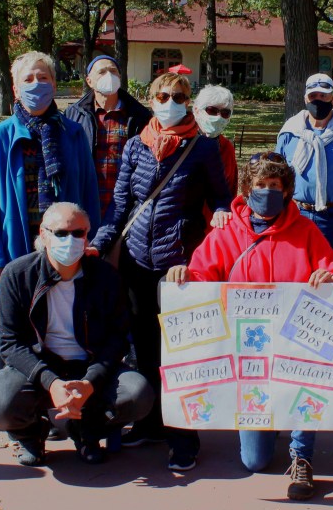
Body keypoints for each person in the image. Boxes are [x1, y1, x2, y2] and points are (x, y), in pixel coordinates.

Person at [168, 152, 333, 500]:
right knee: (255, 460)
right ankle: (271, 421)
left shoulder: (306, 230)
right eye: (260, 185)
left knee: (310, 374)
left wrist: (331, 277)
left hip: (293, 346)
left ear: (286, 191)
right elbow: (203, 272)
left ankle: (302, 454)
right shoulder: (227, 233)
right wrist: (185, 277)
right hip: (247, 354)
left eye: (275, 185)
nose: (267, 191)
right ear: (246, 189)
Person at [91, 71, 232, 472]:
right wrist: (99, 244)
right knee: (146, 349)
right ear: (151, 100)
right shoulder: (135, 146)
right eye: (164, 95)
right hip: (137, 263)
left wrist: (221, 213)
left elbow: (220, 197)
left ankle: (184, 435)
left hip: (179, 266)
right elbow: (120, 205)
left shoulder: (202, 147)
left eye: (180, 96)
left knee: (180, 354)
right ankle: (151, 422)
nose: (171, 102)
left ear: (189, 102)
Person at [0, 202, 153, 467]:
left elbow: (117, 338)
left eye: (79, 233)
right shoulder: (17, 275)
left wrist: (90, 382)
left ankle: (87, 431)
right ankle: (31, 436)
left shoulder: (106, 277)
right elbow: (9, 343)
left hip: (89, 366)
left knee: (138, 394)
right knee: (1, 404)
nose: (70, 240)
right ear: (43, 234)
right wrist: (51, 382)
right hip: (38, 367)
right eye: (61, 233)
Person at [0, 51, 100, 307]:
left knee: (62, 324)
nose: (36, 84)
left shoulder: (73, 133)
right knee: (19, 329)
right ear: (16, 89)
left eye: (42, 77)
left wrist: (92, 243)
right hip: (16, 247)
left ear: (54, 84)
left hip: (66, 247)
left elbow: (89, 193)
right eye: (28, 78)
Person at [275, 73, 333, 259]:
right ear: (305, 99)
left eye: (323, 96)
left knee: (329, 275)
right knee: (294, 272)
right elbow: (276, 173)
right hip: (295, 213)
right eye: (313, 96)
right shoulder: (289, 132)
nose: (317, 100)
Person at [63, 55, 152, 220]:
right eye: (102, 72)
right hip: (86, 203)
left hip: (126, 206)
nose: (108, 76)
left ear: (120, 76)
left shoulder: (140, 116)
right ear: (89, 81)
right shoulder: (73, 115)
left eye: (113, 71)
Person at [193, 84, 238, 197]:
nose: (218, 117)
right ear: (196, 110)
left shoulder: (227, 148)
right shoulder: (182, 142)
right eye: (212, 110)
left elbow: (231, 188)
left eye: (225, 113)